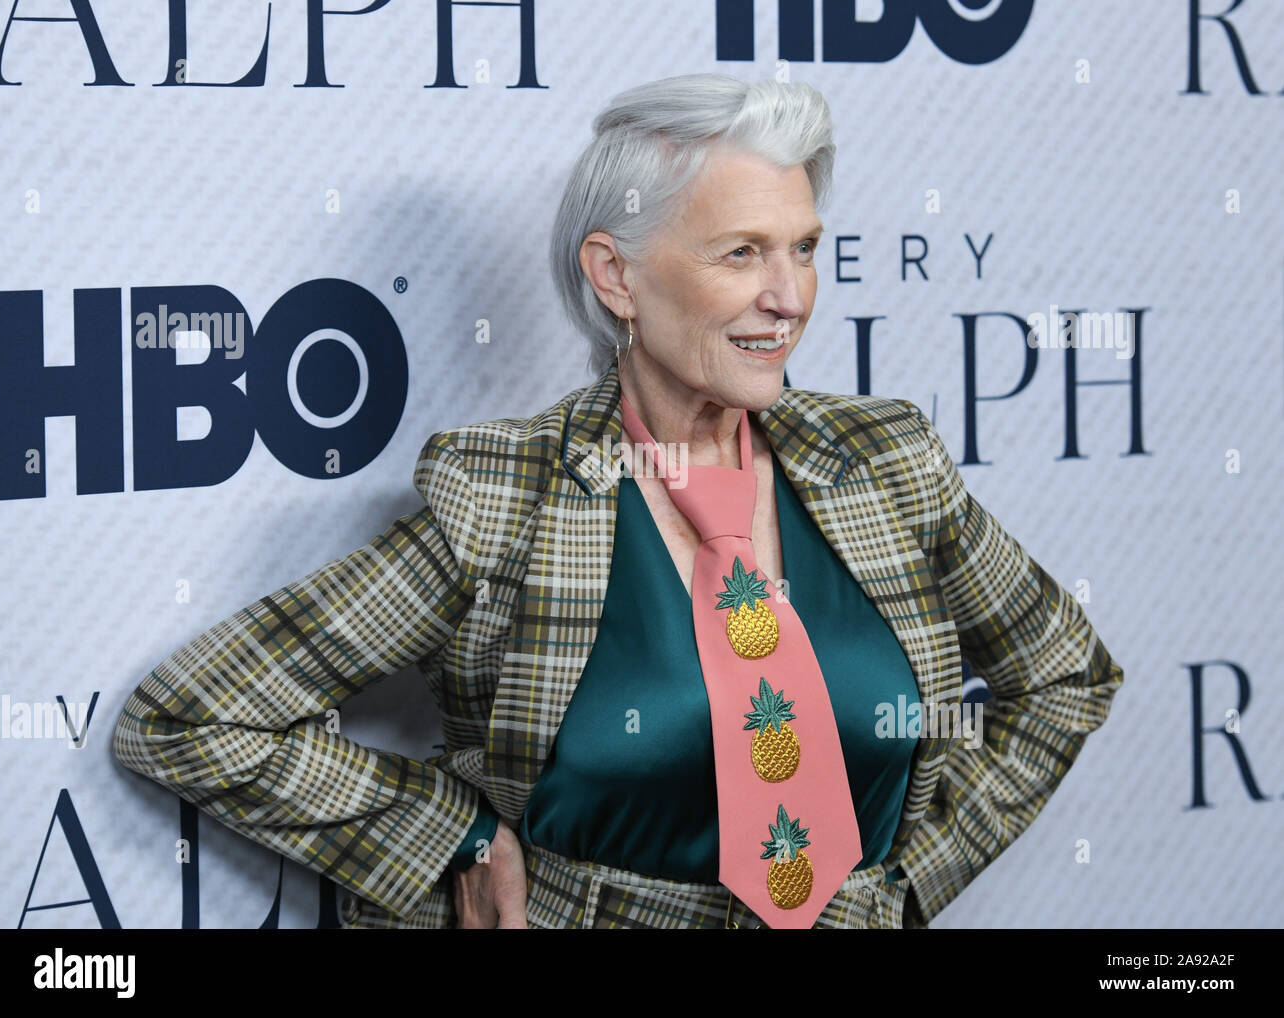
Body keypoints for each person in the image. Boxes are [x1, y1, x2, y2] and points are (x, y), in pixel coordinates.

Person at [112, 72, 1124, 929]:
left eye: (805, 247)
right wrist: (454, 838)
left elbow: (1064, 674)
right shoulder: (505, 497)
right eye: (742, 252)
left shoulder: (887, 462)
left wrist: (904, 890)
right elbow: (192, 717)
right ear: (616, 277)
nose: (790, 297)